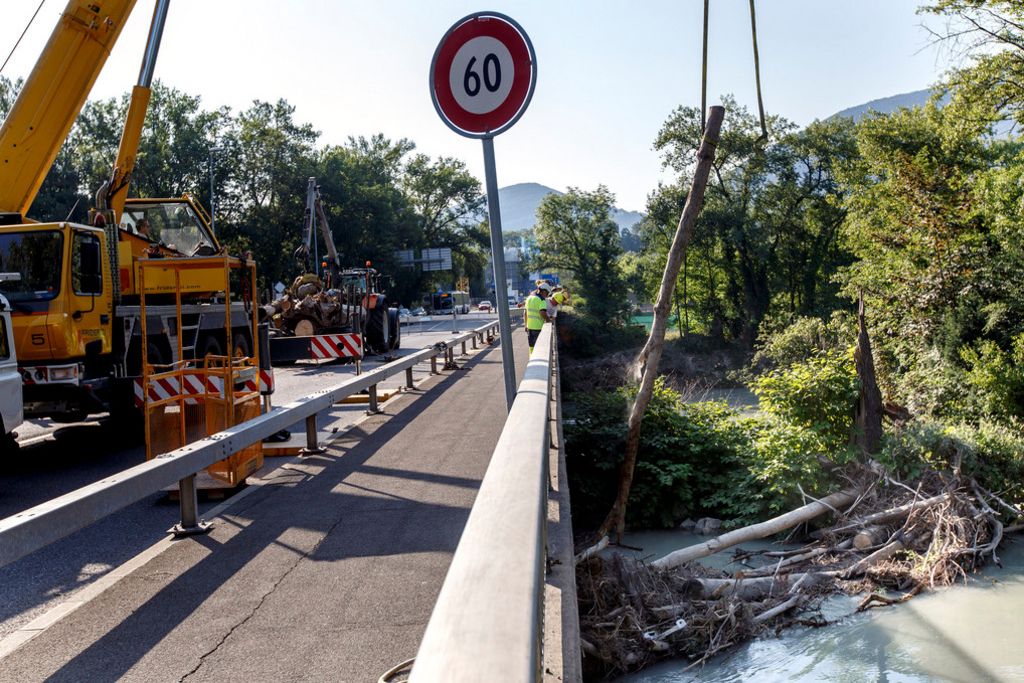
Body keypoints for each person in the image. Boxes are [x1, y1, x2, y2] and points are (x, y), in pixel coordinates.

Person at [524, 281, 550, 354]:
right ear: (544, 291)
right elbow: (542, 312)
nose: (547, 295)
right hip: (538, 328)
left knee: (531, 347)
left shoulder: (529, 298)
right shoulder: (541, 300)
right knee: (540, 348)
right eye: (547, 293)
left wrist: (526, 325)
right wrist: (548, 319)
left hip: (529, 327)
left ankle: (532, 361)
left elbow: (525, 313)